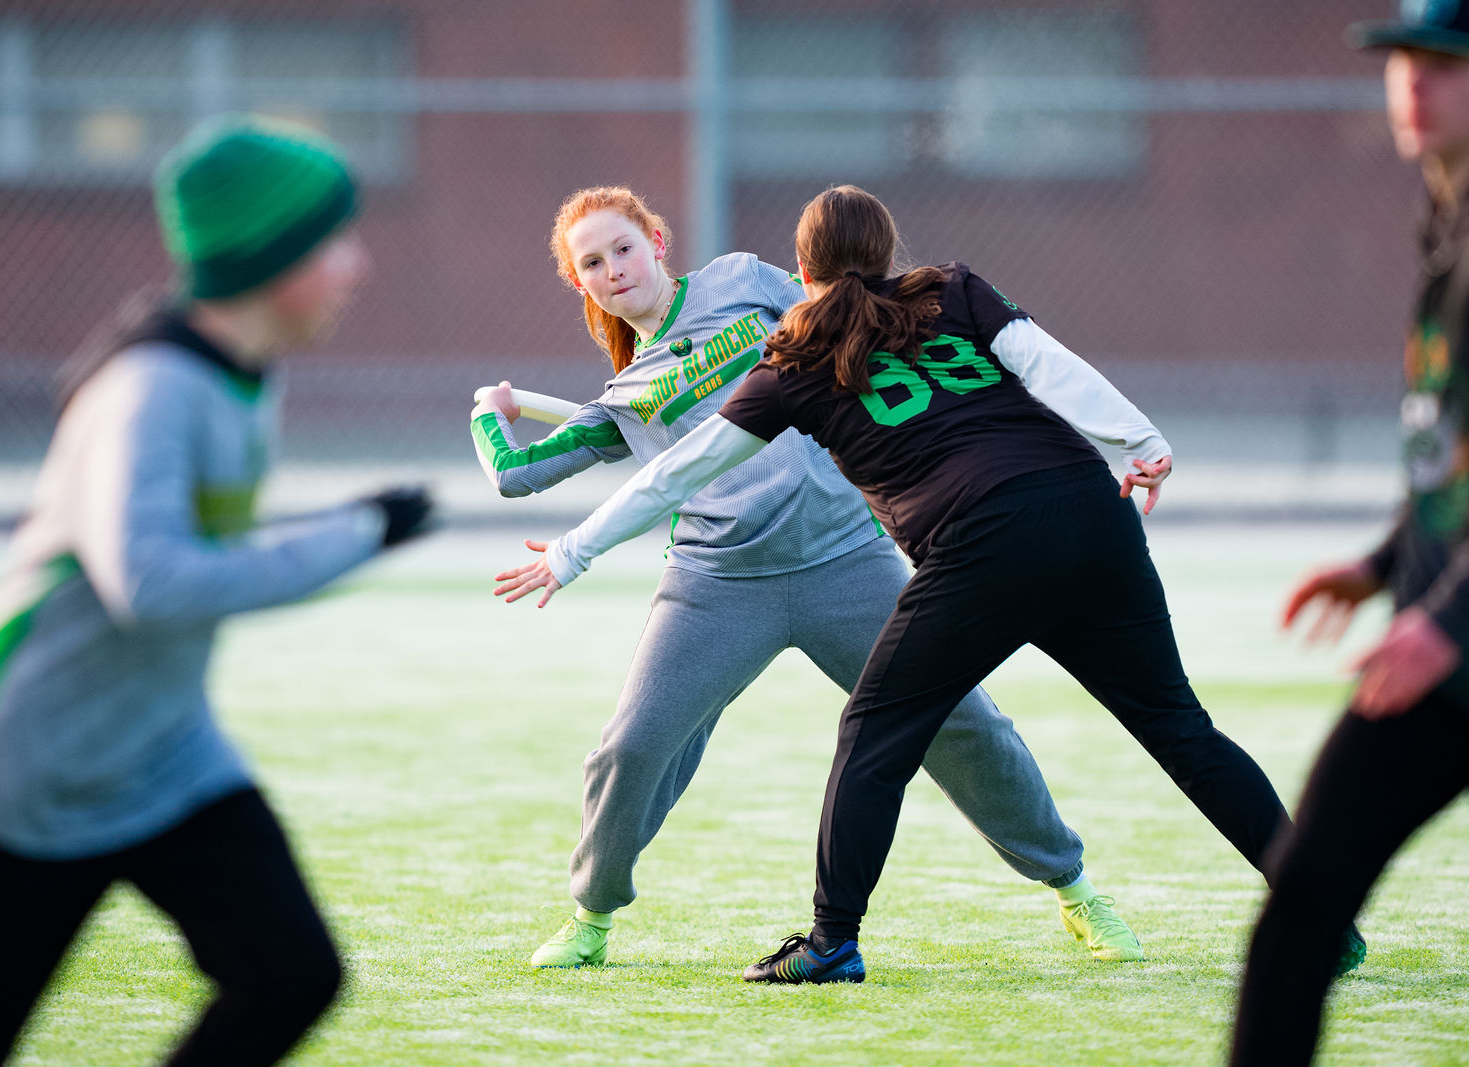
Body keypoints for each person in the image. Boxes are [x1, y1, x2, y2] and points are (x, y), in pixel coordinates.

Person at [495, 184, 1367, 985]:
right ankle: (593, 912)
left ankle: (917, 921)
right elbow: (1047, 365)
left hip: (911, 551)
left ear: (791, 275)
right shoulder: (940, 290)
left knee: (917, 728)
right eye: (592, 264)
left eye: (623, 249)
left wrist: (569, 555)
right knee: (1180, 728)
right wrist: (1136, 440)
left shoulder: (782, 344)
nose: (613, 271)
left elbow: (681, 463)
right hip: (1013, 521)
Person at [0, 116, 433, 1067]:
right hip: (36, 771)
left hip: (164, 754)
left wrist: (350, 527)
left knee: (290, 974)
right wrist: (353, 536)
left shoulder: (241, 376)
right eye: (333, 244)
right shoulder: (151, 389)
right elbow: (151, 582)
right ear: (272, 259)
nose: (357, 268)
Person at [1230, 6, 1469, 1063]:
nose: (1413, 83)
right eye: (1404, 62)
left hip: (1450, 642)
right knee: (1305, 899)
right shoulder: (1445, 218)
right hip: (1437, 646)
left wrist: (1451, 618)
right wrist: (1380, 566)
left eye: (1445, 63)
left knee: (1304, 904)